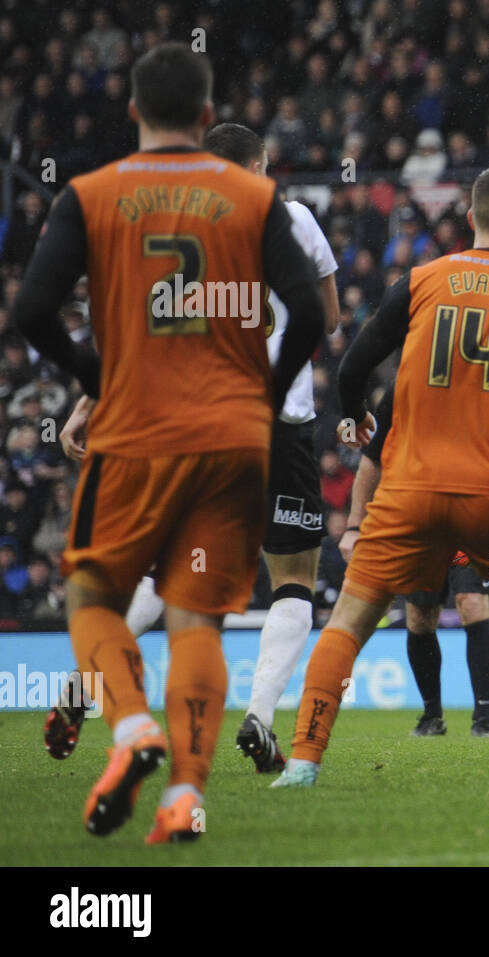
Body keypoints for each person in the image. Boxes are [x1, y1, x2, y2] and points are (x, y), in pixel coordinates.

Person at [16, 43, 325, 842]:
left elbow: (36, 313)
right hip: (241, 436)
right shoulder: (256, 204)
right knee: (201, 619)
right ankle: (187, 794)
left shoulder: (94, 196)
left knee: (94, 596)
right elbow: (314, 311)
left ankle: (128, 726)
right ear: (201, 112)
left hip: (142, 426)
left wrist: (94, 382)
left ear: (131, 114)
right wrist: (266, 386)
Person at [273, 164, 489, 787]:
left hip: (407, 490)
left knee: (350, 621)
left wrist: (356, 418)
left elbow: (353, 365)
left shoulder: (421, 281)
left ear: (470, 218)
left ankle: (302, 760)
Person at [198, 122, 341, 774]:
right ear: (261, 163)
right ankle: (259, 713)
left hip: (205, 419)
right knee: (295, 578)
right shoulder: (293, 220)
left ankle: (85, 674)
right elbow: (329, 317)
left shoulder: (187, 233)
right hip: (282, 422)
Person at [340, 385, 489, 738]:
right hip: (419, 519)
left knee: (473, 603)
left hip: (470, 515)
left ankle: (483, 720)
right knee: (420, 615)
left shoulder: (480, 384)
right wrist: (353, 523)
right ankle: (432, 716)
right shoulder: (401, 390)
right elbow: (372, 461)